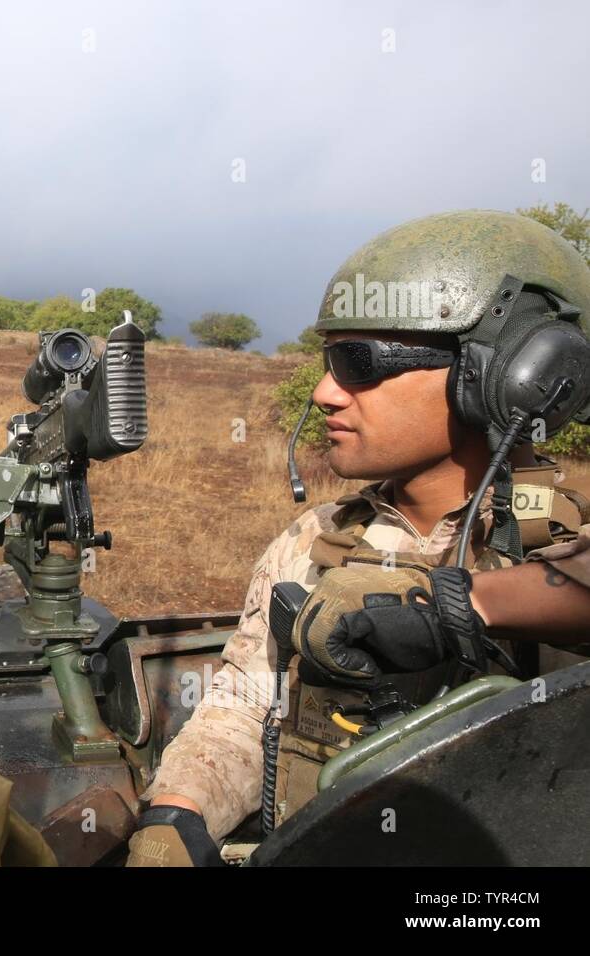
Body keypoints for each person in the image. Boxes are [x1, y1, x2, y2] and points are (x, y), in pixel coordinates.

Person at [127, 209, 590, 867]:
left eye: (357, 364)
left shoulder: (560, 534)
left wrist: (464, 603)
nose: (323, 393)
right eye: (326, 362)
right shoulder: (316, 540)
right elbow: (242, 709)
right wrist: (180, 814)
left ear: (508, 375)